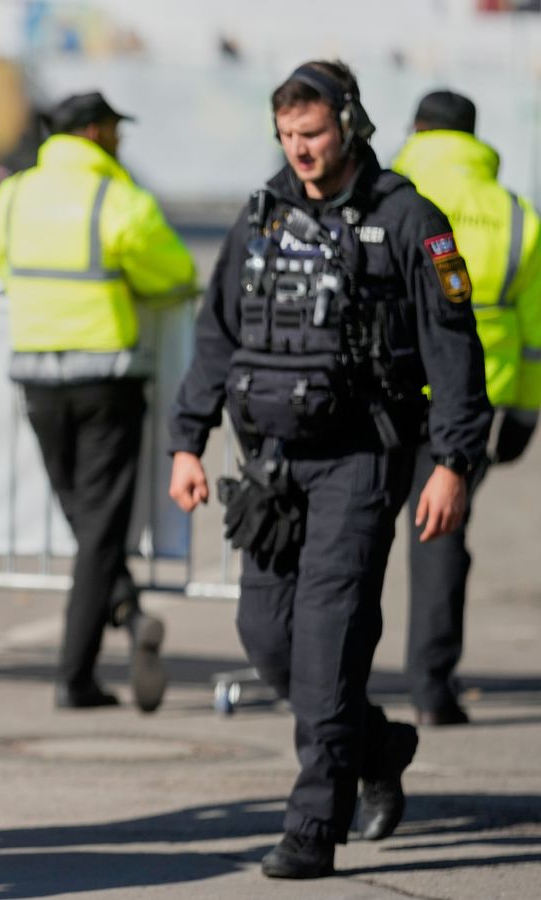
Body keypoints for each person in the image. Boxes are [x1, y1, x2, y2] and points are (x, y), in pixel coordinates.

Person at [168, 61, 491, 879]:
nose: (299, 151)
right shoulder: (262, 216)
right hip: (272, 465)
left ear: (348, 125)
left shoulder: (412, 218)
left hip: (361, 460)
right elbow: (217, 335)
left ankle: (313, 826)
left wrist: (452, 460)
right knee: (266, 638)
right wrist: (186, 441)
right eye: (286, 136)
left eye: (311, 134)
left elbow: (456, 352)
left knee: (327, 643)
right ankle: (380, 749)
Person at [0, 91, 196, 712]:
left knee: (85, 516)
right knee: (100, 529)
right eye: (117, 133)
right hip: (107, 377)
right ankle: (74, 676)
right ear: (98, 133)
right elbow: (175, 274)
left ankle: (126, 612)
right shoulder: (119, 198)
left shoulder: (14, 195)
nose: (122, 143)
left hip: (37, 376)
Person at [391, 90, 541, 727]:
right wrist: (526, 416)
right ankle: (430, 687)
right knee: (440, 535)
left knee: (352, 533)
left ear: (418, 129)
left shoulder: (387, 194)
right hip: (477, 397)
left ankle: (326, 673)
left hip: (387, 385)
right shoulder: (517, 214)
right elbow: (536, 331)